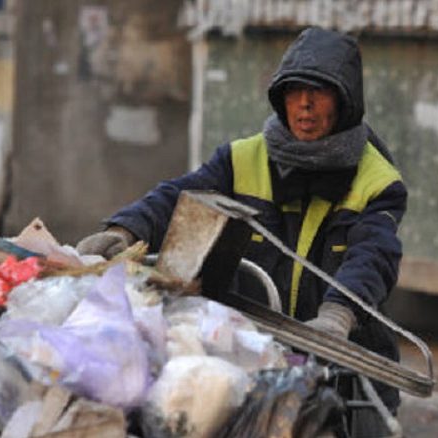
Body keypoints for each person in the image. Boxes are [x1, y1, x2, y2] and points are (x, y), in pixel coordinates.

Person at [77, 27, 407, 420]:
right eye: (294, 91)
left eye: (319, 93)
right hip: (255, 353)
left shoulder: (377, 181)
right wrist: (124, 230)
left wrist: (338, 316)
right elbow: (177, 197)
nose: (304, 105)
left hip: (344, 362)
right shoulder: (241, 158)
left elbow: (373, 256)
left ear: (345, 101)